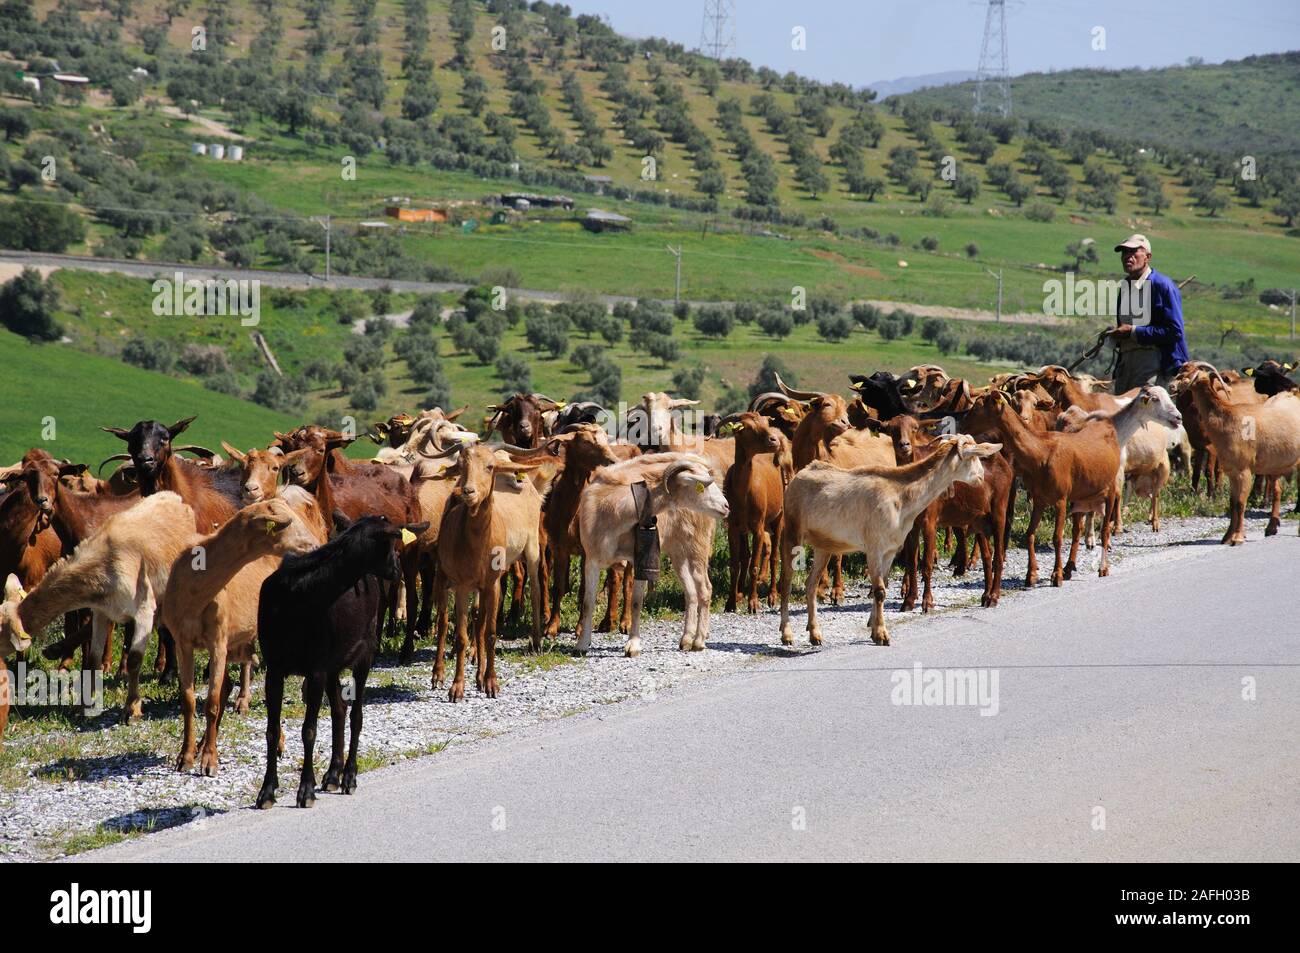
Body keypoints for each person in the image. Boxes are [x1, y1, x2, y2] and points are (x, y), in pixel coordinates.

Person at [1109, 233, 1189, 393]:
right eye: (1124, 253)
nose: (1127, 257)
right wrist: (1115, 334)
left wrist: (1132, 331)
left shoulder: (1162, 285)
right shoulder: (1125, 286)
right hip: (1126, 364)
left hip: (1154, 362)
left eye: (1133, 252)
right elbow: (1126, 328)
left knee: (1144, 413)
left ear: (1147, 257)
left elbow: (1175, 331)